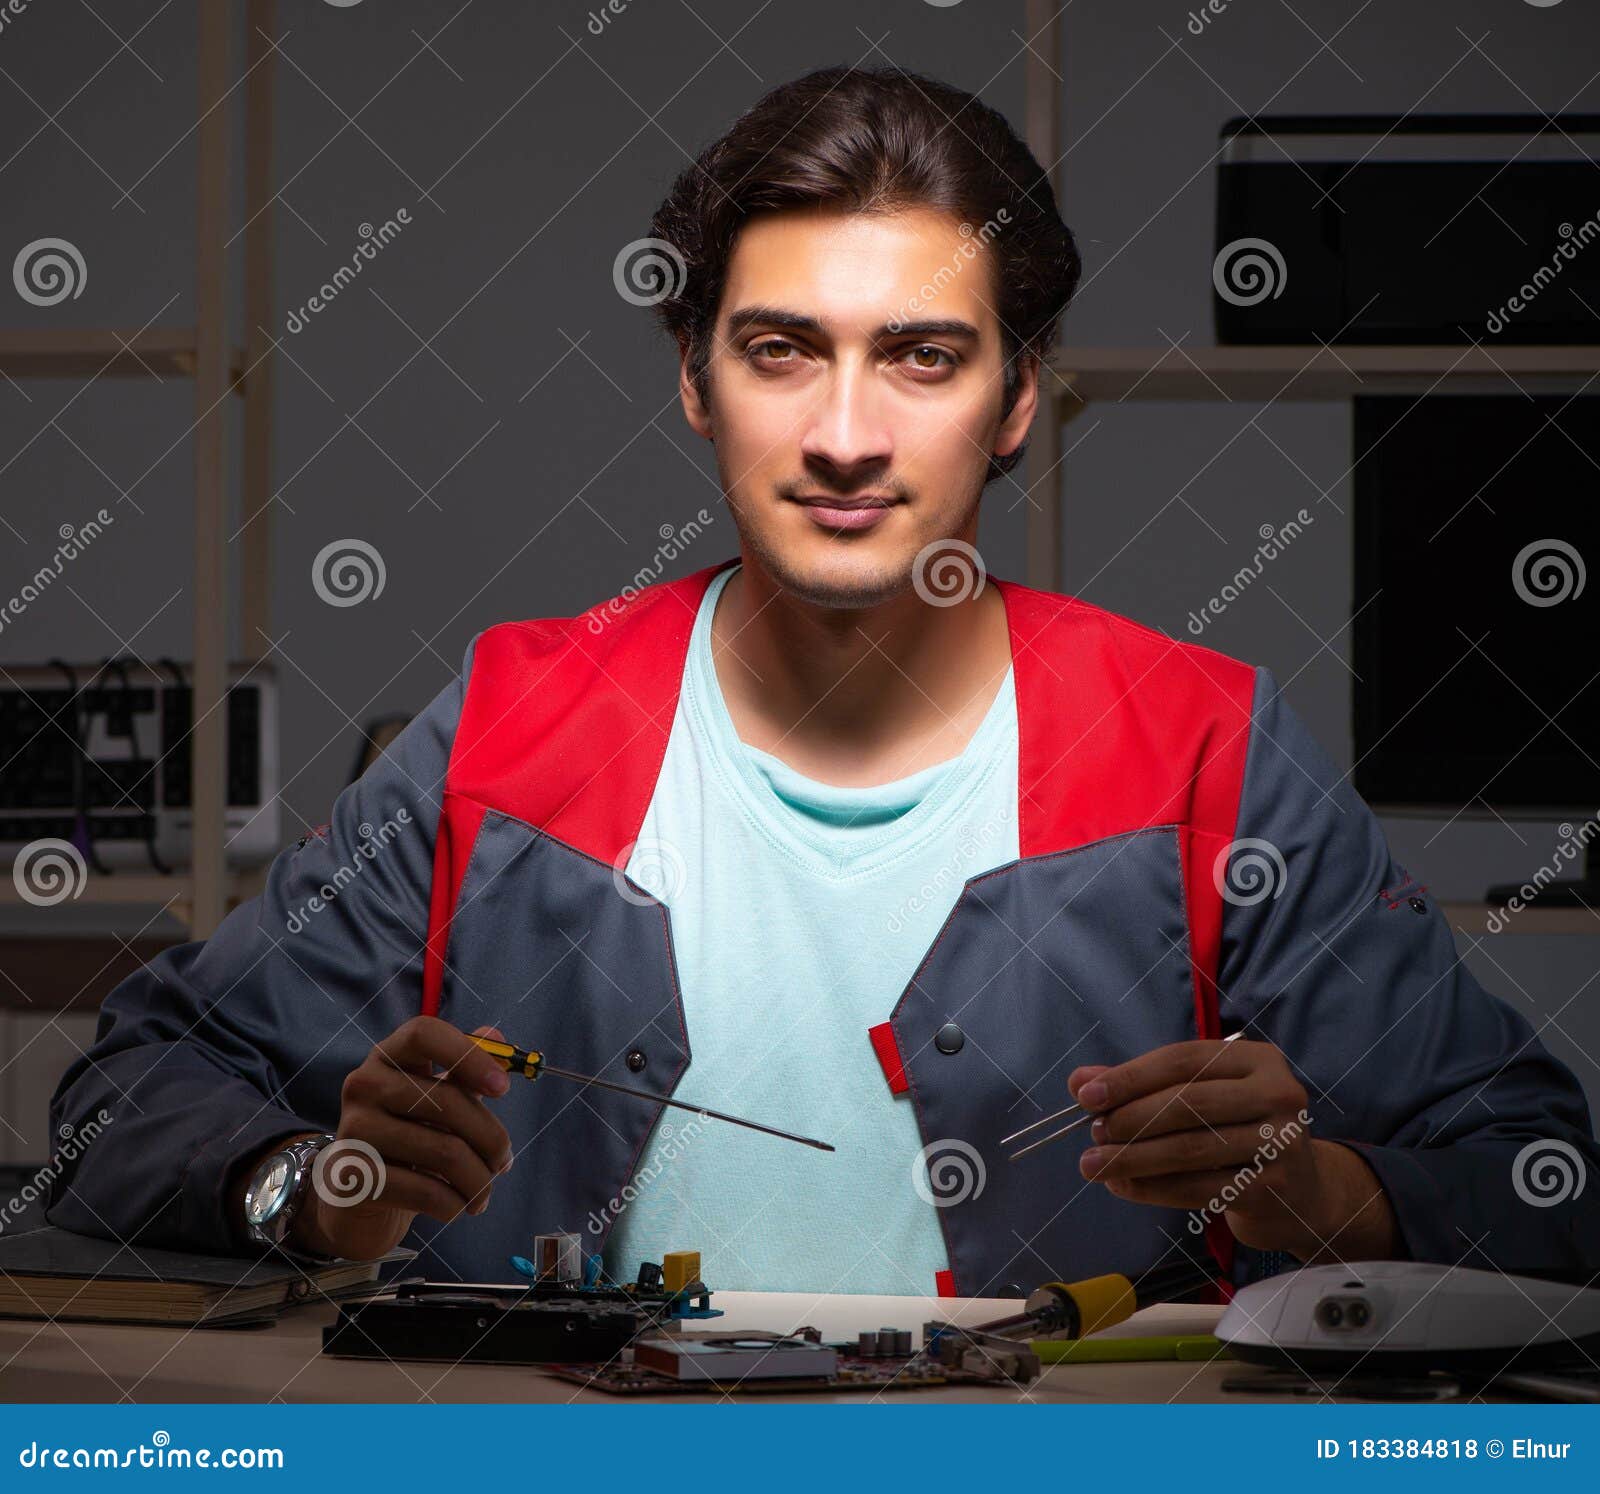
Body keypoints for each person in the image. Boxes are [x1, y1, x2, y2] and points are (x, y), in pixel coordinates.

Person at [48, 65, 1600, 1299]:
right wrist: (313, 1190)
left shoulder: (1204, 746)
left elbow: (1542, 1172)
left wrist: (1320, 1192)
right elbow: (129, 1092)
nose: (847, 433)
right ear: (693, 378)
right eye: (783, 349)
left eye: (923, 357)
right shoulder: (514, 721)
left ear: (1016, 397)